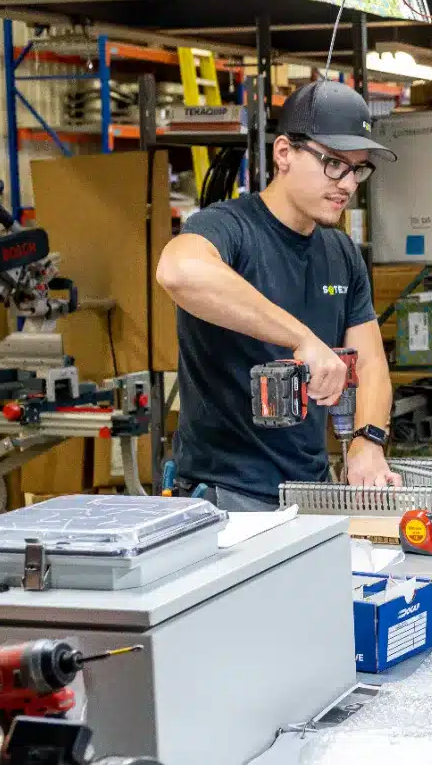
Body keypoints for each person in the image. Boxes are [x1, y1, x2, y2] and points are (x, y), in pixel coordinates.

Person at [156, 80, 401, 510]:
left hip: (310, 492)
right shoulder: (228, 228)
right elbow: (178, 271)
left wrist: (368, 440)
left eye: (357, 169)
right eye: (333, 163)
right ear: (284, 153)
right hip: (225, 498)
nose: (346, 184)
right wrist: (302, 339)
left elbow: (370, 361)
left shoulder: (341, 252)